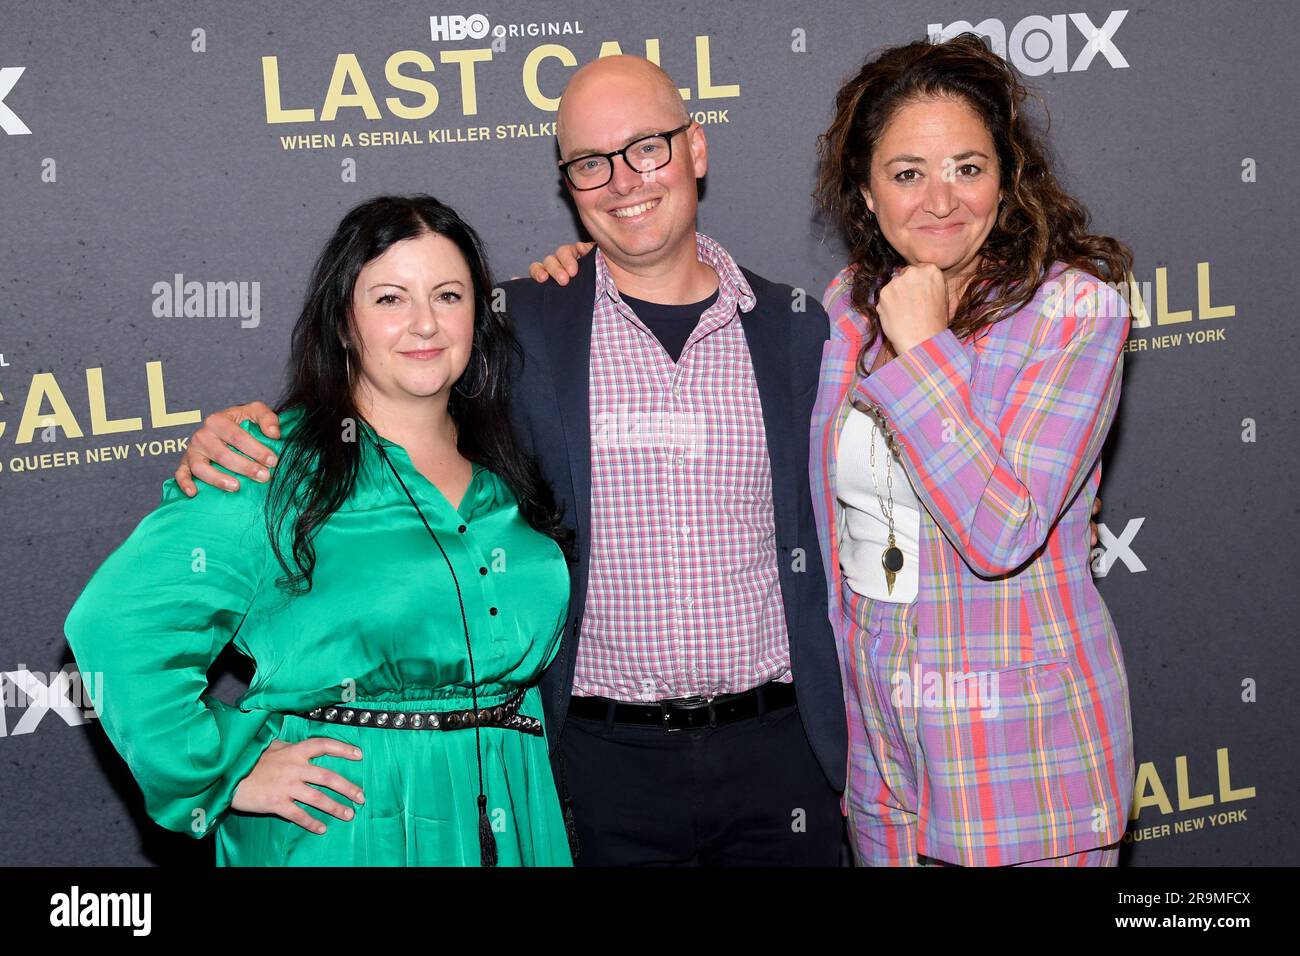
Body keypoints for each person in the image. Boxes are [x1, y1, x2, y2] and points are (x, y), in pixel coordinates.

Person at [169, 55, 849, 866]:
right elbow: (391, 390)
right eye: (590, 163)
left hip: (782, 758)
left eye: (648, 148)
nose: (623, 180)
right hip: (591, 768)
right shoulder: (520, 328)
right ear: (568, 183)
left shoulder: (800, 330)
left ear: (696, 149)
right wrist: (257, 434)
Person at [64, 195, 575, 866]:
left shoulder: (511, 463)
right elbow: (116, 623)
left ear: (477, 315)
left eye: (448, 295)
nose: (425, 322)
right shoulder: (272, 464)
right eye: (390, 299)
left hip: (511, 809)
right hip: (351, 825)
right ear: (342, 322)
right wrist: (225, 771)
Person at [809, 33, 1135, 865]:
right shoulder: (848, 309)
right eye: (907, 172)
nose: (940, 200)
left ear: (1007, 177)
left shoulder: (1074, 313)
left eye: (968, 166)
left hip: (1023, 774)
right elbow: (856, 548)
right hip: (889, 775)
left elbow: (1001, 532)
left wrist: (923, 351)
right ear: (866, 193)